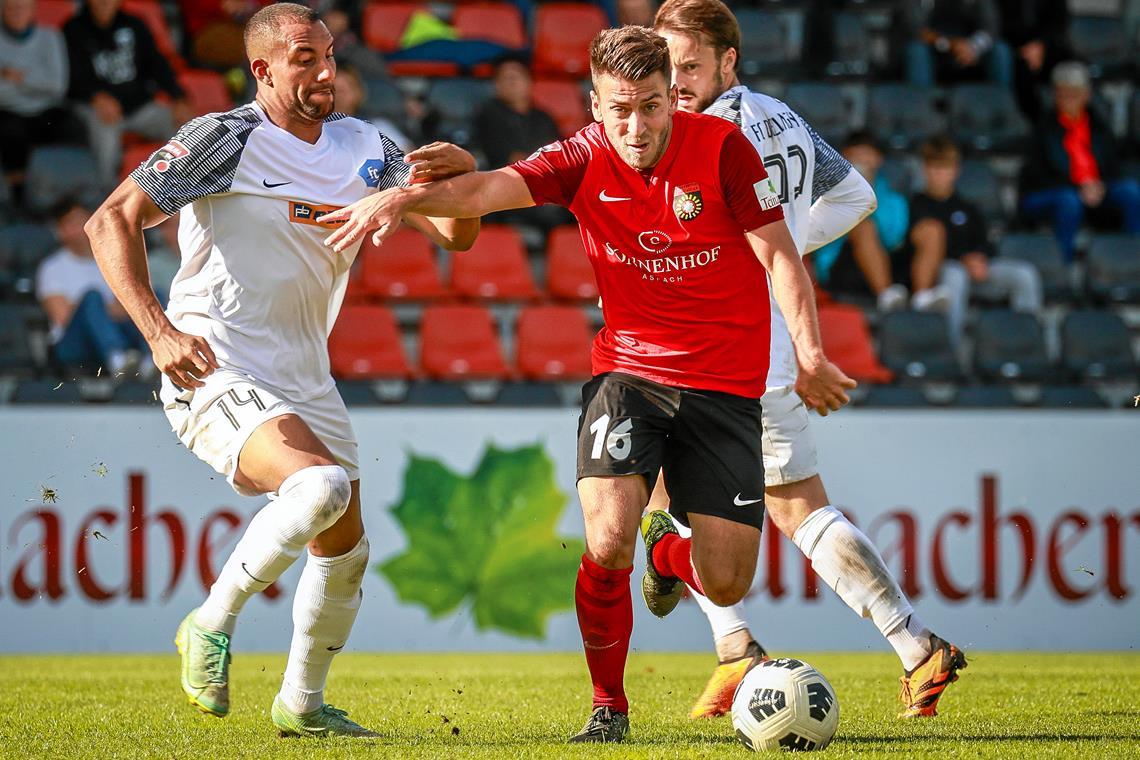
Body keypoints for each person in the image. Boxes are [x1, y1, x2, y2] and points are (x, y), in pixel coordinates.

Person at [320, 25, 855, 743]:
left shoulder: (725, 149)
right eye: (620, 109)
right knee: (606, 540)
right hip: (629, 373)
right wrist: (397, 201)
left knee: (726, 582)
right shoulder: (581, 155)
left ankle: (666, 553)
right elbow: (486, 190)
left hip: (726, 386)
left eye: (652, 107)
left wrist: (811, 354)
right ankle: (609, 709)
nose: (636, 127)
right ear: (594, 103)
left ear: (674, 98)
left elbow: (781, 258)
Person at [83, 3, 478, 737]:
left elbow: (456, 233)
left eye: (329, 55)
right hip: (213, 364)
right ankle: (210, 621)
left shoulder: (369, 146)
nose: (325, 71)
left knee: (346, 549)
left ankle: (302, 705)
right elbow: (110, 220)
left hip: (305, 375)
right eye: (304, 58)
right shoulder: (225, 139)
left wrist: (457, 177)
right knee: (319, 486)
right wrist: (159, 333)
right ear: (260, 70)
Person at [653, 0, 967, 721]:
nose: (675, 82)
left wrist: (766, 256)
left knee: (673, 497)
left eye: (690, 66)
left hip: (728, 349)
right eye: (667, 67)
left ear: (729, 60)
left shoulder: (705, 133)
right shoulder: (780, 116)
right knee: (786, 507)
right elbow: (855, 196)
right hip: (758, 343)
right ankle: (910, 648)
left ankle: (745, 651)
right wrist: (784, 246)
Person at [914, 136, 1042, 341]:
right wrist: (964, 259)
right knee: (955, 274)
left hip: (974, 271)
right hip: (940, 275)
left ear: (956, 171)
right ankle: (952, 347)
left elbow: (985, 242)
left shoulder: (967, 206)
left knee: (1024, 275)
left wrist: (980, 257)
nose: (939, 174)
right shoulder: (916, 205)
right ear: (925, 170)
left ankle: (1027, 341)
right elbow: (917, 249)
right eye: (934, 168)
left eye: (944, 168)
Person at [63, 0, 194, 189]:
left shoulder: (135, 24)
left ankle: (183, 190)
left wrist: (178, 97)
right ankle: (108, 198)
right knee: (106, 138)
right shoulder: (73, 29)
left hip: (139, 106)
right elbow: (68, 78)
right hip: (96, 108)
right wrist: (95, 96)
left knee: (185, 128)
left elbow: (157, 64)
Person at [815, 132, 951, 313]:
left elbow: (895, 238)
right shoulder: (824, 192)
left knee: (932, 229)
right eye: (856, 154)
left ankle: (922, 296)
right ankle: (885, 295)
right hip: (841, 266)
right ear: (843, 157)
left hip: (887, 261)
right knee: (864, 226)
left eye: (868, 154)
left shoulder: (894, 199)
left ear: (878, 159)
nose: (862, 160)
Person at [1019, 61, 1140, 262]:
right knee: (1069, 200)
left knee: (1131, 192)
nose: (1068, 101)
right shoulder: (1043, 129)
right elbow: (1036, 177)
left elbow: (1113, 166)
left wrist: (1100, 186)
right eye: (1062, 94)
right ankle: (1063, 265)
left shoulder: (1099, 126)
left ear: (1087, 95)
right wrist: (1079, 188)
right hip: (1054, 192)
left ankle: (1131, 258)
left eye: (1074, 95)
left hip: (1095, 189)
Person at [37, 198, 153, 376]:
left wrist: (104, 312)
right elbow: (63, 316)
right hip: (73, 343)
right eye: (72, 222)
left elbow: (133, 305)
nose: (81, 226)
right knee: (92, 297)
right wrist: (103, 309)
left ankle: (152, 358)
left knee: (153, 294)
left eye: (83, 219)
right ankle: (116, 357)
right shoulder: (52, 268)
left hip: (118, 331)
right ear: (60, 231)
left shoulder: (113, 261)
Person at [0, 0, 82, 198]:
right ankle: (18, 199)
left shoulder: (51, 37)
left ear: (33, 10)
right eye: (11, 7)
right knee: (11, 134)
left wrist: (16, 77)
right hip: (9, 111)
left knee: (74, 128)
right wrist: (37, 81)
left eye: (22, 7)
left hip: (48, 109)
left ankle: (67, 196)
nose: (17, 12)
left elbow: (57, 86)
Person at [905, 0, 1011, 88]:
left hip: (971, 50)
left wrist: (973, 47)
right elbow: (917, 29)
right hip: (936, 48)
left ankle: (1002, 104)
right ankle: (921, 104)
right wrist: (951, 45)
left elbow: (991, 28)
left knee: (1000, 49)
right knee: (916, 50)